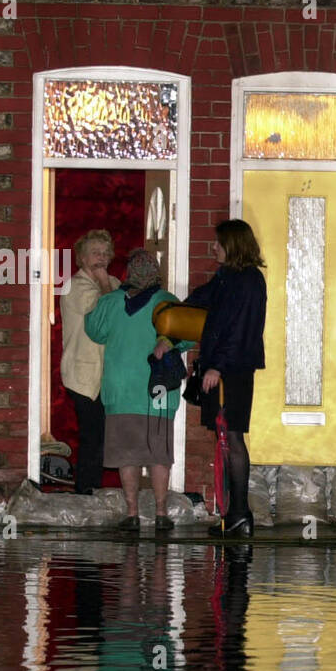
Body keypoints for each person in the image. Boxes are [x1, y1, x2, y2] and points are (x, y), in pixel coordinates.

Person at [84, 249, 188, 531]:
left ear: (129, 273)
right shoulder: (166, 302)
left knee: (126, 454)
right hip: (158, 392)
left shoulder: (111, 302)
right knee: (158, 454)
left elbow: (94, 330)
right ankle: (161, 513)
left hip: (121, 390)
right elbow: (188, 336)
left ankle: (131, 514)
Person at [183, 219, 267, 538]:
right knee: (227, 439)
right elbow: (201, 300)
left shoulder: (247, 281)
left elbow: (239, 331)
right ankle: (235, 515)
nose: (213, 247)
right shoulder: (228, 279)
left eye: (218, 242)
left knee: (232, 437)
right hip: (226, 366)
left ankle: (241, 515)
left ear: (233, 244)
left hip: (233, 370)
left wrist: (216, 366)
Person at [60, 229, 120, 494]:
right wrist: (105, 282)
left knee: (107, 437)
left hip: (108, 375)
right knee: (92, 437)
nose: (101, 258)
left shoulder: (115, 283)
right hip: (83, 376)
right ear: (81, 258)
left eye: (106, 253)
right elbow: (106, 314)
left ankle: (96, 489)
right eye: (95, 252)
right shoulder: (75, 286)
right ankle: (86, 491)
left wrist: (108, 282)